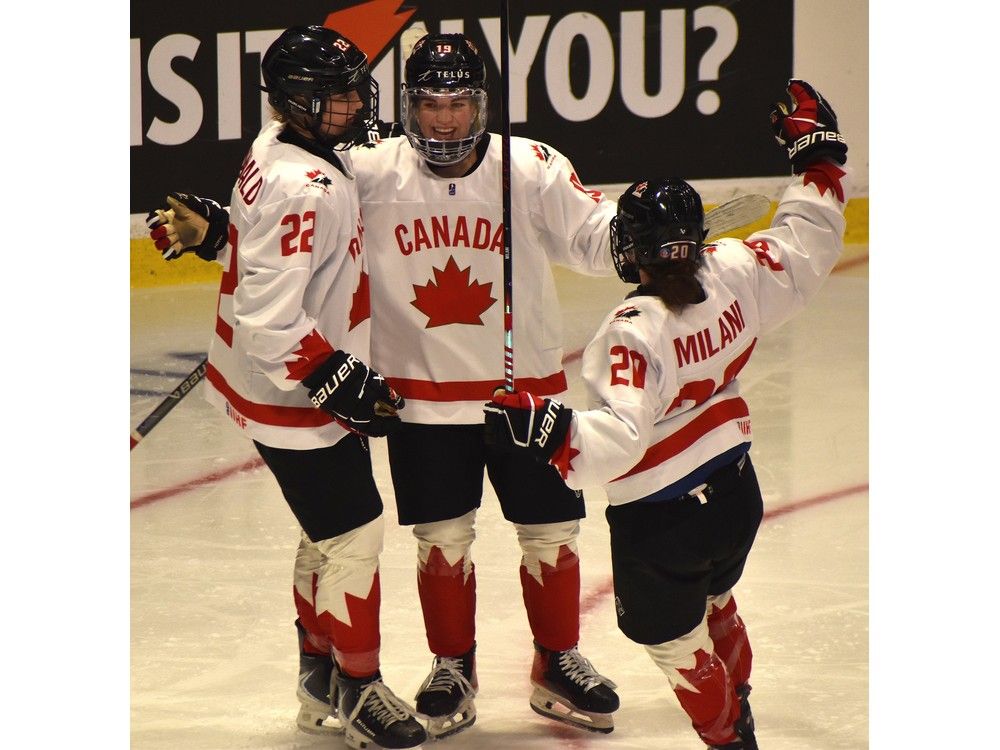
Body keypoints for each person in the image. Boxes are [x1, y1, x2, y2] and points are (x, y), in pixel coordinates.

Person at [148, 31, 621, 739]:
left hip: (524, 392)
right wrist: (224, 232)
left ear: (481, 104)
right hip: (419, 397)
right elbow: (296, 240)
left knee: (551, 528)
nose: (445, 120)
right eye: (429, 103)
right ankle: (451, 666)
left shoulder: (531, 167)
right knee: (441, 537)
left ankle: (557, 660)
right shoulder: (365, 168)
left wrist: (643, 234)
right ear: (407, 104)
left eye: (459, 103)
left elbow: (594, 237)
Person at [483, 79, 850, 749]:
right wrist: (817, 160)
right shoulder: (736, 269)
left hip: (665, 521)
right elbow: (809, 242)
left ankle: (729, 737)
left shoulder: (633, 329)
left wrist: (550, 426)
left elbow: (619, 440)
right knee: (717, 603)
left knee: (674, 643)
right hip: (736, 495)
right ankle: (740, 701)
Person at [147, 26, 427, 750]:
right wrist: (338, 378)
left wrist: (217, 235)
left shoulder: (285, 150)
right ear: (299, 102)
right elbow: (270, 319)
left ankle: (318, 679)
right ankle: (358, 690)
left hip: (275, 385)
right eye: (338, 94)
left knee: (328, 531)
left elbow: (259, 254)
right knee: (355, 534)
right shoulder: (304, 184)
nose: (356, 101)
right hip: (291, 395)